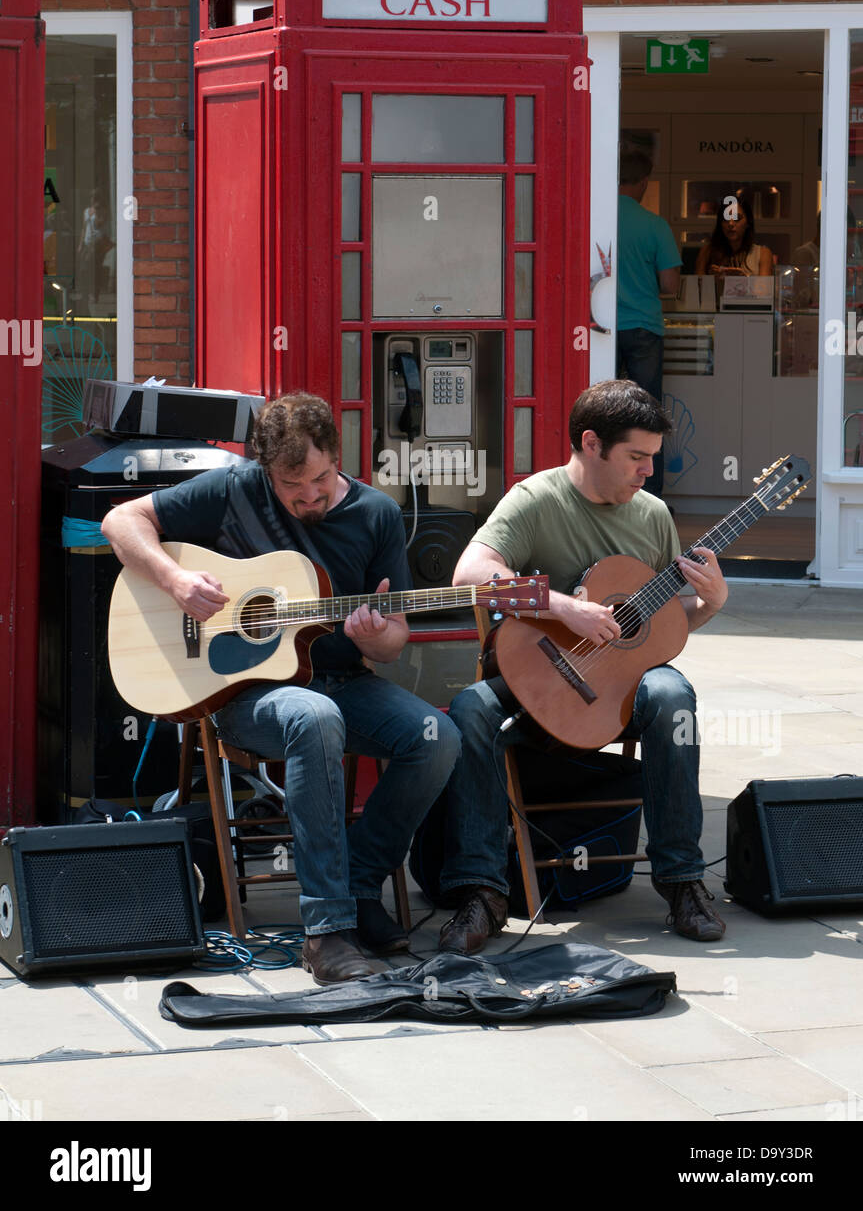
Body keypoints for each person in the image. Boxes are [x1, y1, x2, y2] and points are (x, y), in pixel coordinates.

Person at [101, 392, 461, 985]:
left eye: (320, 477)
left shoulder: (376, 514)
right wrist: (176, 580)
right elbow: (121, 521)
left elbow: (394, 641)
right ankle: (326, 933)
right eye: (293, 485)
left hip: (345, 680)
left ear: (336, 456)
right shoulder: (233, 489)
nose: (310, 495)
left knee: (437, 734)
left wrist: (373, 637)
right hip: (246, 696)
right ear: (266, 470)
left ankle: (357, 885)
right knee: (314, 715)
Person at [438, 379, 729, 955]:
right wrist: (564, 607)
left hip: (619, 684)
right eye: (637, 458)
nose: (648, 472)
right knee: (470, 707)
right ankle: (482, 891)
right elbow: (468, 576)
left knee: (673, 695)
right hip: (537, 677)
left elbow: (661, 630)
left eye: (652, 458)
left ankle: (681, 881)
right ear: (591, 444)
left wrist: (710, 603)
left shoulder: (652, 516)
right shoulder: (535, 500)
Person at [616, 150, 681, 498]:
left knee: (604, 414)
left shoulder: (597, 219)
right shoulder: (655, 225)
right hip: (644, 327)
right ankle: (649, 495)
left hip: (602, 330)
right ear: (643, 183)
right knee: (648, 414)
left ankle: (606, 489)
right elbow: (671, 285)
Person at [694, 191, 774, 278]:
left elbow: (765, 290)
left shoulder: (762, 254)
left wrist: (743, 279)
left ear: (748, 223)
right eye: (726, 219)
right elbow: (698, 288)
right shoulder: (707, 252)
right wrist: (712, 281)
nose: (731, 224)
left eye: (737, 218)